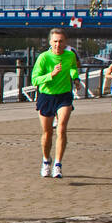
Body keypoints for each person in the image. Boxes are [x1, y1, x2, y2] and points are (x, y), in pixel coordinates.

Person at [31, 27, 79, 178]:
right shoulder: (44, 58)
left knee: (62, 128)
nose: (58, 45)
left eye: (61, 42)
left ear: (66, 42)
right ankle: (46, 160)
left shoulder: (70, 56)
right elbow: (34, 80)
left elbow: (72, 68)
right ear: (50, 42)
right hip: (46, 96)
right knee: (47, 133)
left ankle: (58, 164)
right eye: (55, 41)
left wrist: (75, 78)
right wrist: (51, 74)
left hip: (64, 96)